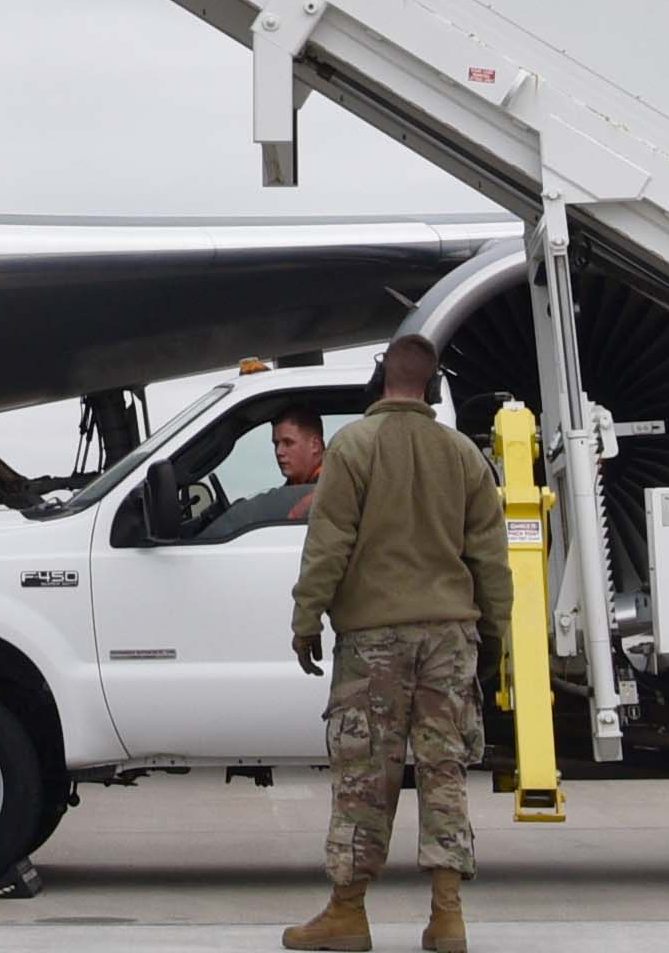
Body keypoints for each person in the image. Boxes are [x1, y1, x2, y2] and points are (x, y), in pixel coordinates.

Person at [285, 336, 513, 953]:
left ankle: (348, 914)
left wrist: (306, 620)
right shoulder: (464, 455)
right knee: (444, 772)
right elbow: (491, 559)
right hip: (450, 637)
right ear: (433, 387)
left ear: (382, 379)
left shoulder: (353, 448)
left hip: (374, 641)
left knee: (364, 776)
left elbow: (327, 544)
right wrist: (497, 635)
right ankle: (447, 917)